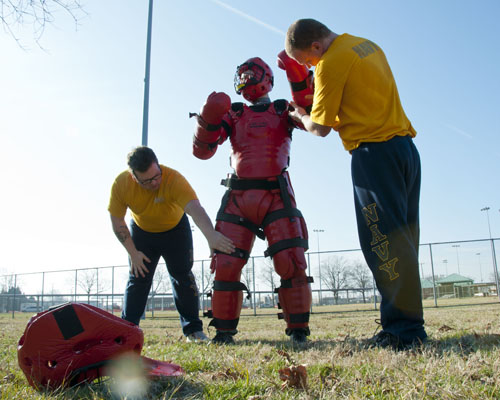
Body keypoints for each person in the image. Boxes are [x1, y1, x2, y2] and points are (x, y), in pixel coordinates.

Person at [282, 18, 427, 350]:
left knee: (382, 242)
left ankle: (403, 331)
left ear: (316, 47)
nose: (309, 66)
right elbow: (357, 101)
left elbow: (319, 127)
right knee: (404, 241)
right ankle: (408, 324)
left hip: (373, 155)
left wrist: (299, 116)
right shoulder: (366, 45)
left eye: (307, 60)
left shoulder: (331, 63)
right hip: (405, 150)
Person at [189, 57, 313, 344]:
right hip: (239, 196)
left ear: (267, 77)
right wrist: (207, 118)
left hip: (276, 194)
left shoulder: (283, 108)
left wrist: (300, 81)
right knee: (226, 264)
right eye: (242, 74)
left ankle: (298, 330)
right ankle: (223, 333)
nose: (246, 77)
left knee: (291, 262)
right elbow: (202, 152)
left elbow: (312, 118)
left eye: (250, 73)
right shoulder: (233, 113)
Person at [108, 146, 235, 342]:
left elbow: (195, 208)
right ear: (134, 177)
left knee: (182, 275)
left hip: (176, 230)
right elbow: (117, 220)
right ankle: (127, 332)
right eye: (147, 181)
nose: (155, 182)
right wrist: (133, 253)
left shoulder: (173, 179)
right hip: (142, 233)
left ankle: (193, 330)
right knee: (138, 277)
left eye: (156, 175)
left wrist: (211, 235)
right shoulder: (121, 184)